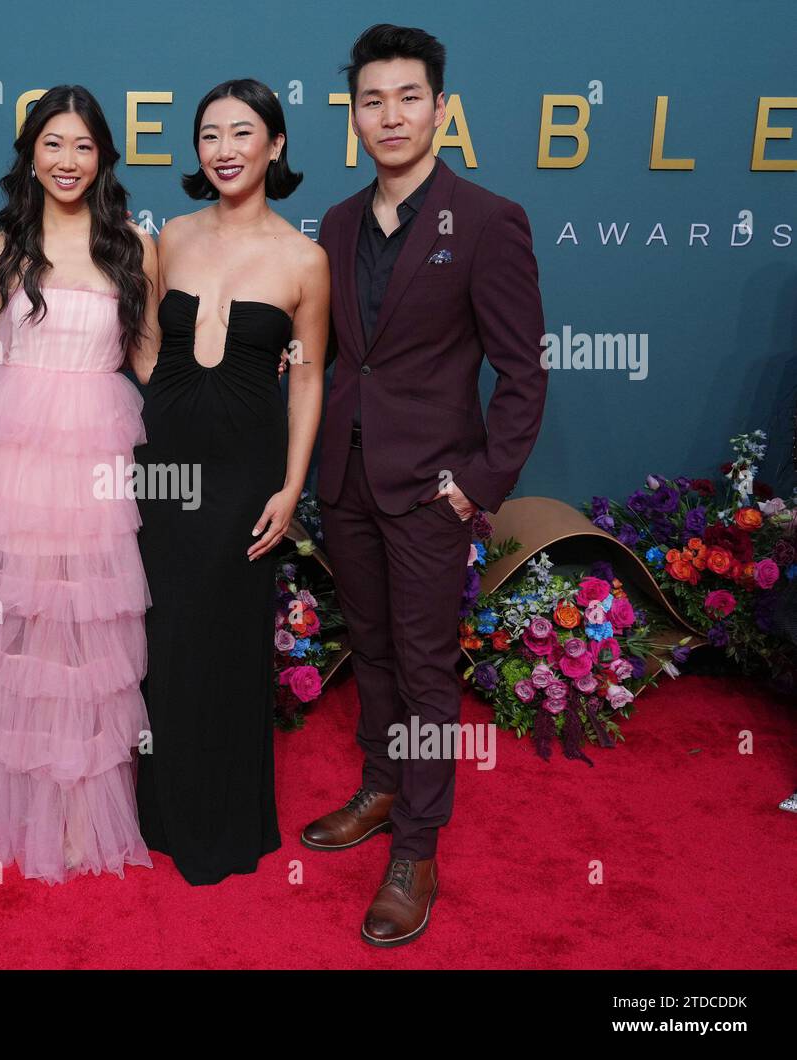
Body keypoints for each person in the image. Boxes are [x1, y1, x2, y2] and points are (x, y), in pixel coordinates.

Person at [304, 24, 548, 945]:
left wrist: (478, 484)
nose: (390, 116)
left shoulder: (488, 221)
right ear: (355, 114)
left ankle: (417, 842)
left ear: (440, 108)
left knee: (426, 667)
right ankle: (379, 785)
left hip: (430, 491)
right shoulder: (333, 223)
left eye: (409, 98)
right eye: (372, 100)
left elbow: (525, 374)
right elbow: (329, 360)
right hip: (347, 480)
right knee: (367, 647)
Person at [0, 85, 160, 885]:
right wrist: (13, 420)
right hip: (19, 461)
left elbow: (148, 361)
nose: (67, 161)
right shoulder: (7, 243)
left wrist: (239, 375)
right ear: (30, 154)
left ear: (102, 156)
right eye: (53, 144)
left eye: (82, 146)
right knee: (22, 627)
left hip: (98, 460)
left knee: (89, 634)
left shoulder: (131, 244)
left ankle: (81, 810)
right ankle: (20, 803)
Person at [133, 79, 328, 886]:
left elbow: (310, 377)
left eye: (242, 133)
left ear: (275, 146)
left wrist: (292, 485)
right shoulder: (168, 237)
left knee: (226, 633)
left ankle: (222, 813)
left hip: (247, 468)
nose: (223, 149)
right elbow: (145, 344)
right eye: (209, 134)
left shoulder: (303, 259)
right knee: (161, 631)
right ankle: (153, 808)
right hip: (164, 459)